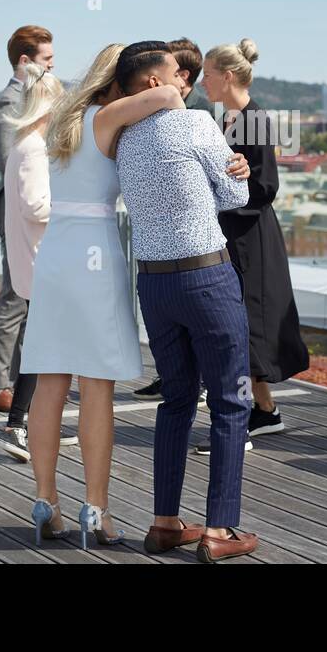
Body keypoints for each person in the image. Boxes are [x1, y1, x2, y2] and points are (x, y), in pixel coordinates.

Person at [16, 44, 251, 549]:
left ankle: (45, 500)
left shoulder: (64, 118)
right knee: (96, 382)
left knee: (49, 379)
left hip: (55, 250)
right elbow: (167, 94)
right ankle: (95, 510)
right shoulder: (109, 116)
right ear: (124, 78)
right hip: (93, 251)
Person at [114, 41, 259, 563]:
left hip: (153, 285)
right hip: (207, 278)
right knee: (228, 401)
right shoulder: (197, 124)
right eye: (179, 72)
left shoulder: (124, 140)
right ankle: (221, 529)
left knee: (176, 400)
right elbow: (235, 198)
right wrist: (234, 169)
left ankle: (164, 523)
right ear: (155, 83)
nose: (187, 80)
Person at [197, 38, 308, 449]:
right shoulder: (230, 117)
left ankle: (240, 421)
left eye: (207, 75)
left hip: (250, 238)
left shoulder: (250, 119)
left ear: (227, 76)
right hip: (238, 234)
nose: (201, 82)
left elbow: (265, 185)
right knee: (243, 328)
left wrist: (217, 207)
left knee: (244, 330)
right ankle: (264, 412)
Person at [132, 36, 214, 401]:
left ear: (183, 75)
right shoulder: (162, 110)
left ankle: (189, 382)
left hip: (194, 247)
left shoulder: (197, 114)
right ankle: (176, 379)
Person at [0, 25, 54, 414]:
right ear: (25, 62)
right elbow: (14, 165)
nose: (52, 68)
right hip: (19, 212)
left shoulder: (33, 98)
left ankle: (25, 380)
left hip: (29, 208)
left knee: (28, 297)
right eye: (47, 61)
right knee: (15, 296)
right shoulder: (10, 102)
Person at [0, 64, 64, 462]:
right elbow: (38, 206)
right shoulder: (34, 148)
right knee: (42, 346)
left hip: (30, 258)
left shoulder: (24, 144)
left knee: (43, 343)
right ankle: (18, 424)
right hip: (41, 259)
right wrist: (71, 210)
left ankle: (30, 422)